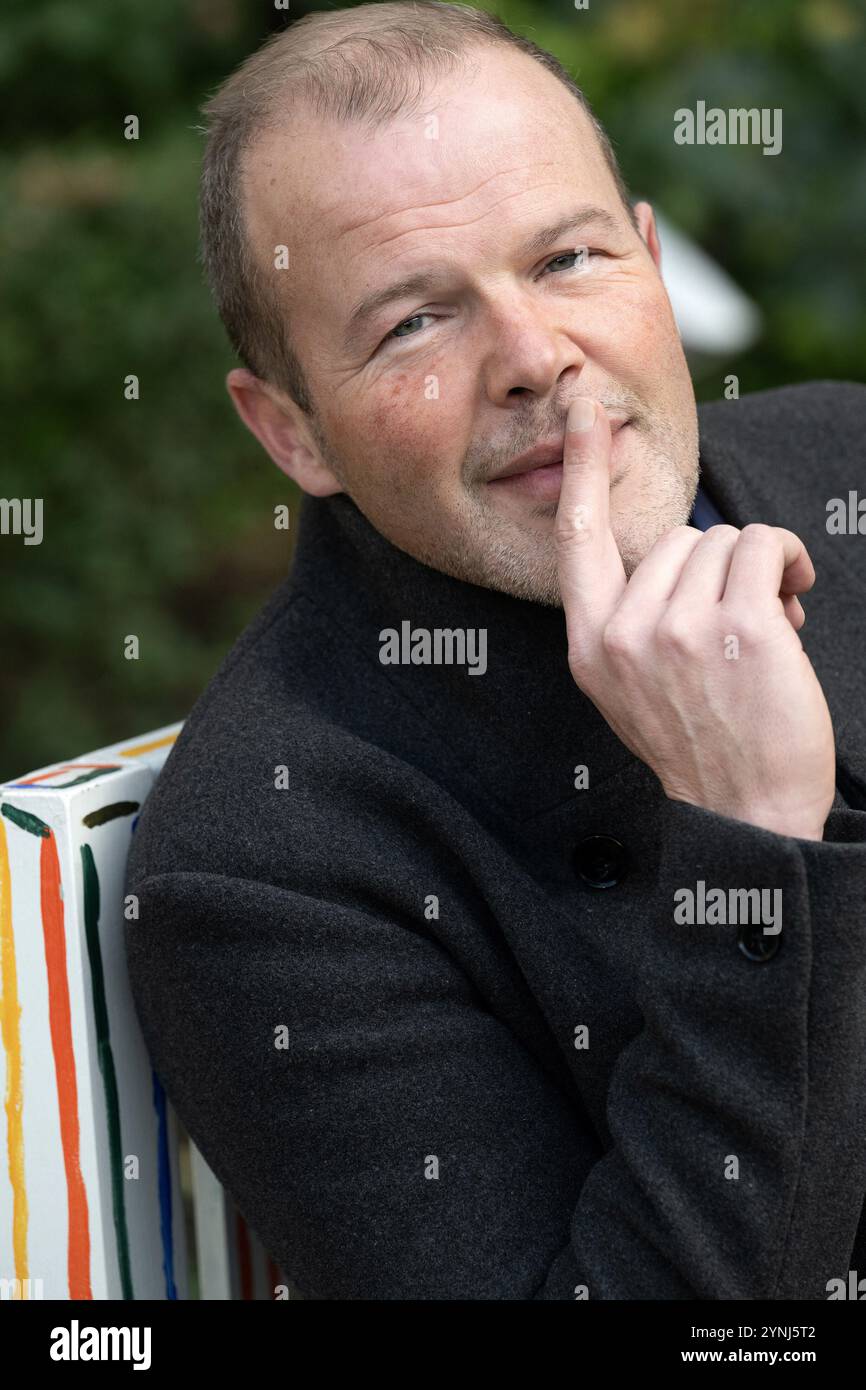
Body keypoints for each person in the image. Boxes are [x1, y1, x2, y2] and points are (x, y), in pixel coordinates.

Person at [124, 1, 866, 1299]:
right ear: (290, 431)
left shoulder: (846, 457)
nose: (534, 357)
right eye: (412, 322)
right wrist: (749, 849)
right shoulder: (262, 868)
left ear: (650, 264)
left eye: (569, 259)